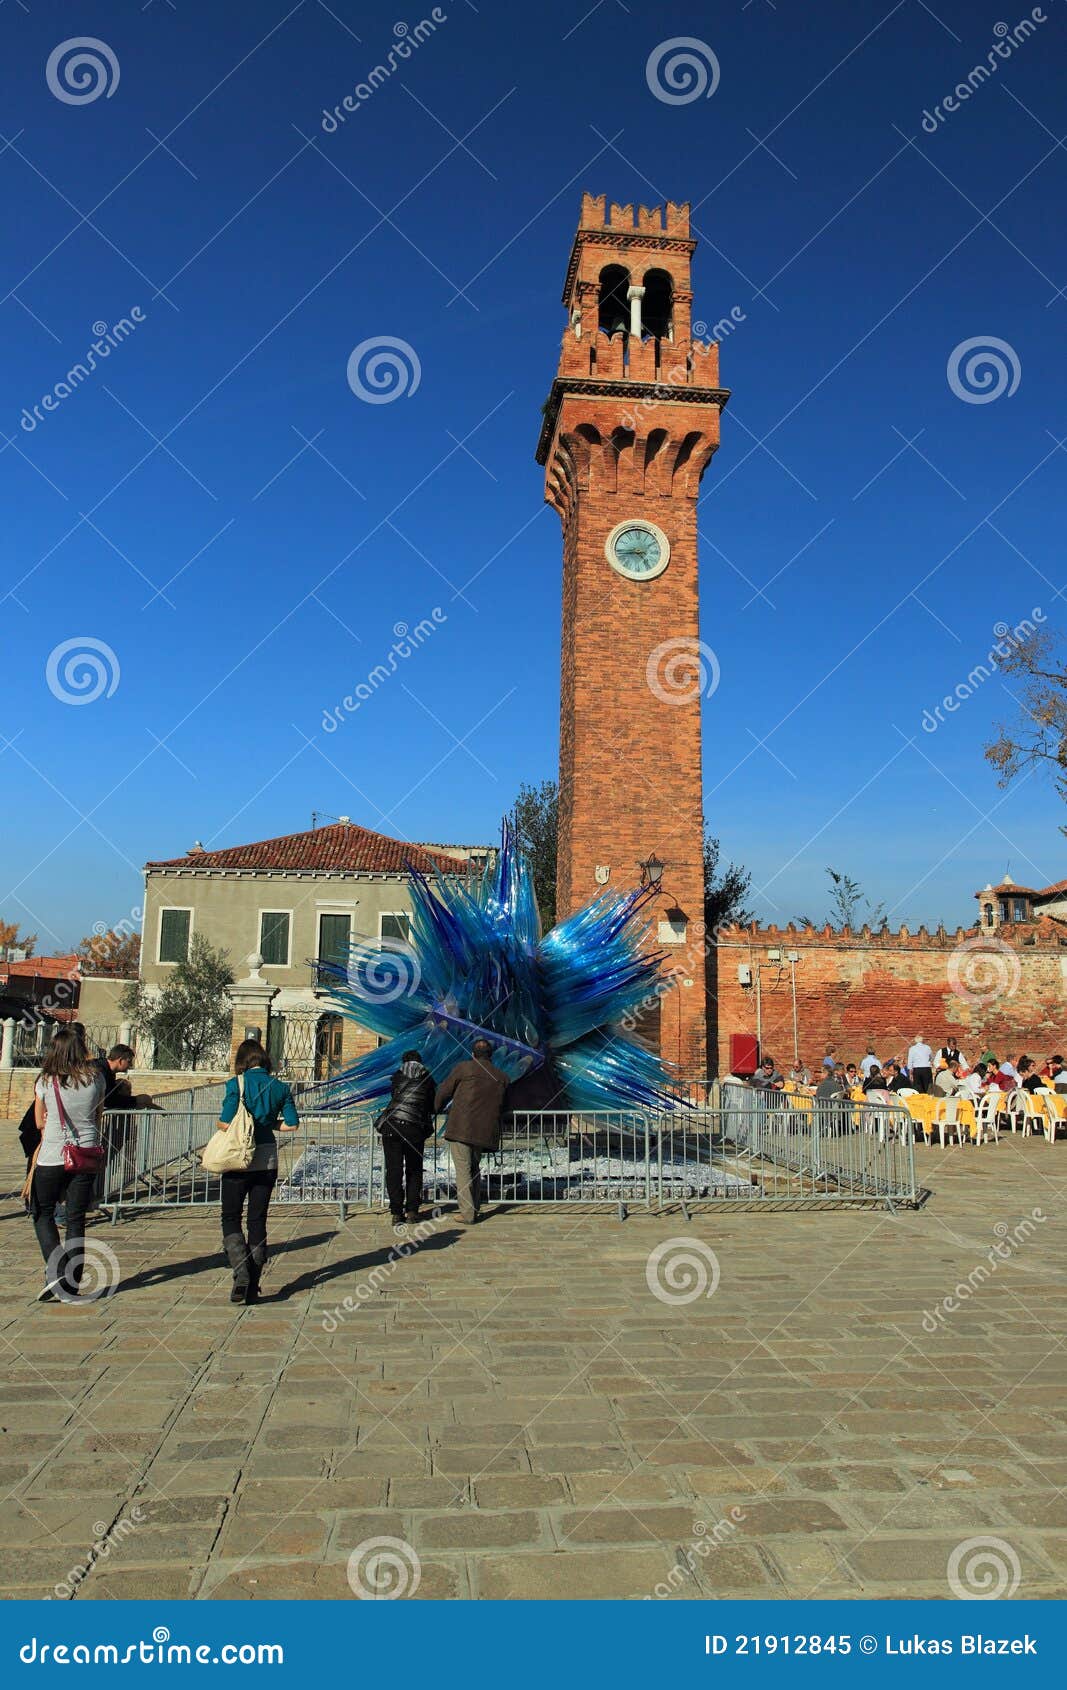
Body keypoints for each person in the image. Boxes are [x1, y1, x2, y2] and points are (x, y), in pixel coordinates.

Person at [216, 1039, 299, 1304]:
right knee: (257, 1219)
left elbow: (225, 1123)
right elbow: (292, 1124)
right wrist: (267, 1123)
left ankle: (241, 1272)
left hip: (238, 1159)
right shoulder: (281, 1087)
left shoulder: (236, 1084)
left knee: (231, 1216)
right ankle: (253, 1281)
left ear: (242, 1060)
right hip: (267, 1159)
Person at [27, 1026, 105, 1302]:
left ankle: (58, 1268)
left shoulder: (46, 1081)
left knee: (42, 1211)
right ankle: (71, 1284)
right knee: (75, 1217)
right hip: (85, 1153)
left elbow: (39, 1121)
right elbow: (98, 1115)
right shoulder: (96, 1079)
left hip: (53, 1155)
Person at [435, 1037, 508, 1225]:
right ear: (491, 1055)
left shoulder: (464, 1068)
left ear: (473, 1054)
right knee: (474, 1169)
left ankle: (467, 1214)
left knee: (464, 1171)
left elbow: (445, 1091)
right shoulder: (501, 1076)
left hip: (461, 1127)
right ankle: (474, 1208)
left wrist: (434, 1108)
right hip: (484, 1131)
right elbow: (505, 1104)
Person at [380, 1048, 436, 1223]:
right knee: (414, 1169)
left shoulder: (397, 1076)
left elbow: (394, 1097)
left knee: (393, 1170)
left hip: (392, 1127)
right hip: (414, 1129)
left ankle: (396, 1212)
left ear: (404, 1062)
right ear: (420, 1062)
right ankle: (412, 1211)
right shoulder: (428, 1078)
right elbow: (431, 1103)